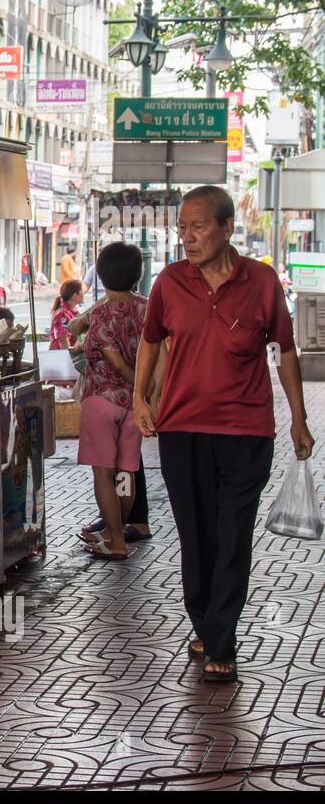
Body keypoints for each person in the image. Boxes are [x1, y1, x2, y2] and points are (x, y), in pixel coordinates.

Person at [134, 185, 314, 683]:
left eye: (197, 227)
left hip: (245, 431)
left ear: (227, 227)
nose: (186, 238)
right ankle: (208, 623)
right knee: (197, 537)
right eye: (181, 229)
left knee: (232, 536)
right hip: (182, 430)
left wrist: (299, 417)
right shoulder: (170, 283)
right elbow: (151, 342)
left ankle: (221, 640)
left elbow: (286, 351)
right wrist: (138, 398)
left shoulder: (261, 282)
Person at [75, 243, 150, 560]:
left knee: (104, 473)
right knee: (126, 471)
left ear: (101, 275)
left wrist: (134, 385)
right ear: (139, 274)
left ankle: (116, 539)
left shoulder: (101, 312)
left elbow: (116, 362)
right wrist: (143, 394)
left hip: (102, 401)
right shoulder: (147, 308)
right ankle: (113, 532)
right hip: (134, 407)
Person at [48, 280, 83, 349]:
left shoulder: (74, 313)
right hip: (60, 357)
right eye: (81, 290)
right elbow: (63, 342)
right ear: (75, 296)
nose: (83, 293)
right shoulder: (61, 314)